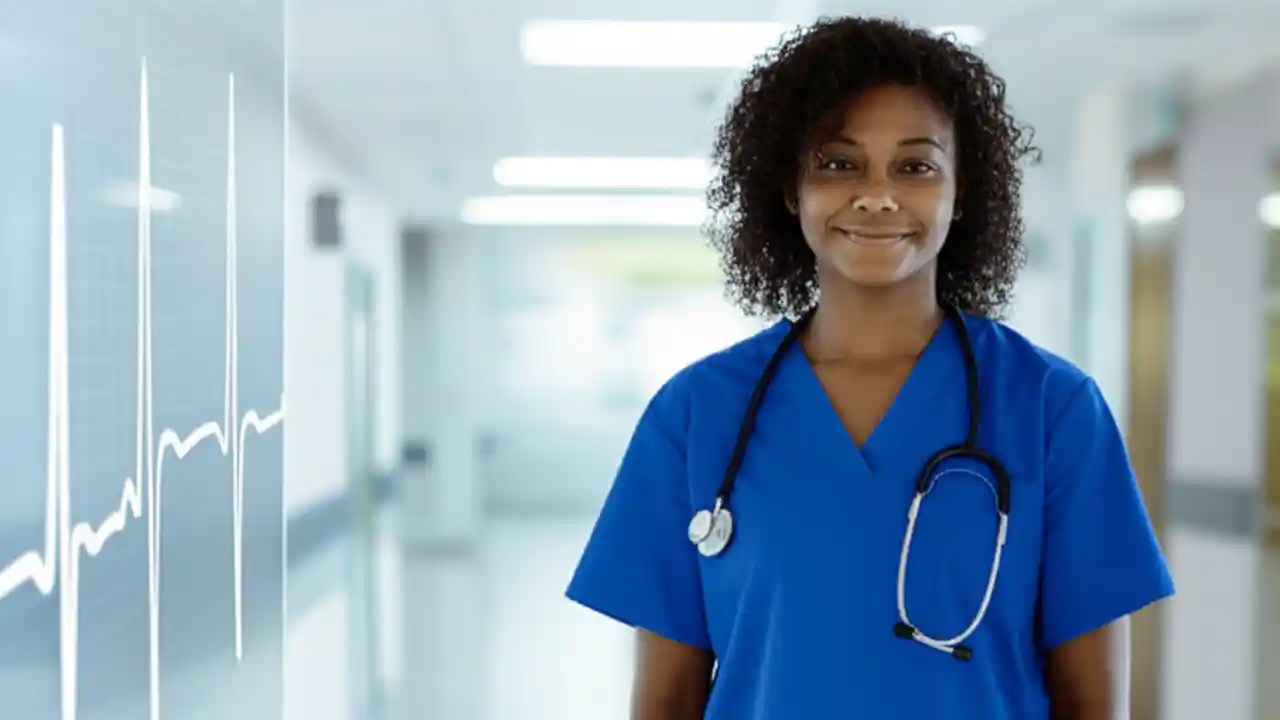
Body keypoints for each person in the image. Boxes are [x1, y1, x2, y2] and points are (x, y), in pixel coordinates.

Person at [564, 15, 1174, 719]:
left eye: (916, 167)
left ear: (961, 192)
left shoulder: (1051, 408)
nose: (878, 195)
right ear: (790, 187)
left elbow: (1091, 702)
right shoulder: (698, 413)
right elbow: (666, 700)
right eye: (838, 163)